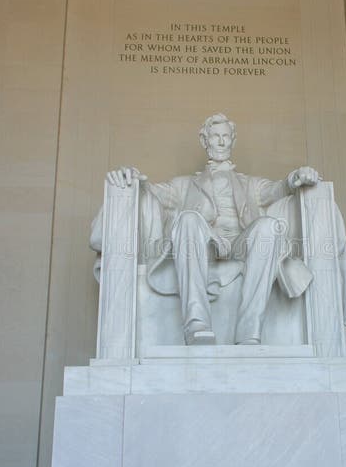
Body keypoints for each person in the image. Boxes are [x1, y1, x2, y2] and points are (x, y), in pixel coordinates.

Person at [99, 113, 320, 345]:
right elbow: (151, 191)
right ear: (205, 141)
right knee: (188, 219)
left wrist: (296, 176)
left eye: (226, 136)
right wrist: (131, 178)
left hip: (241, 244)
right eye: (215, 137)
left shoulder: (251, 184)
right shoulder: (183, 185)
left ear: (233, 141)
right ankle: (196, 324)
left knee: (267, 227)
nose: (222, 142)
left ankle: (249, 331)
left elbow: (278, 189)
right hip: (204, 244)